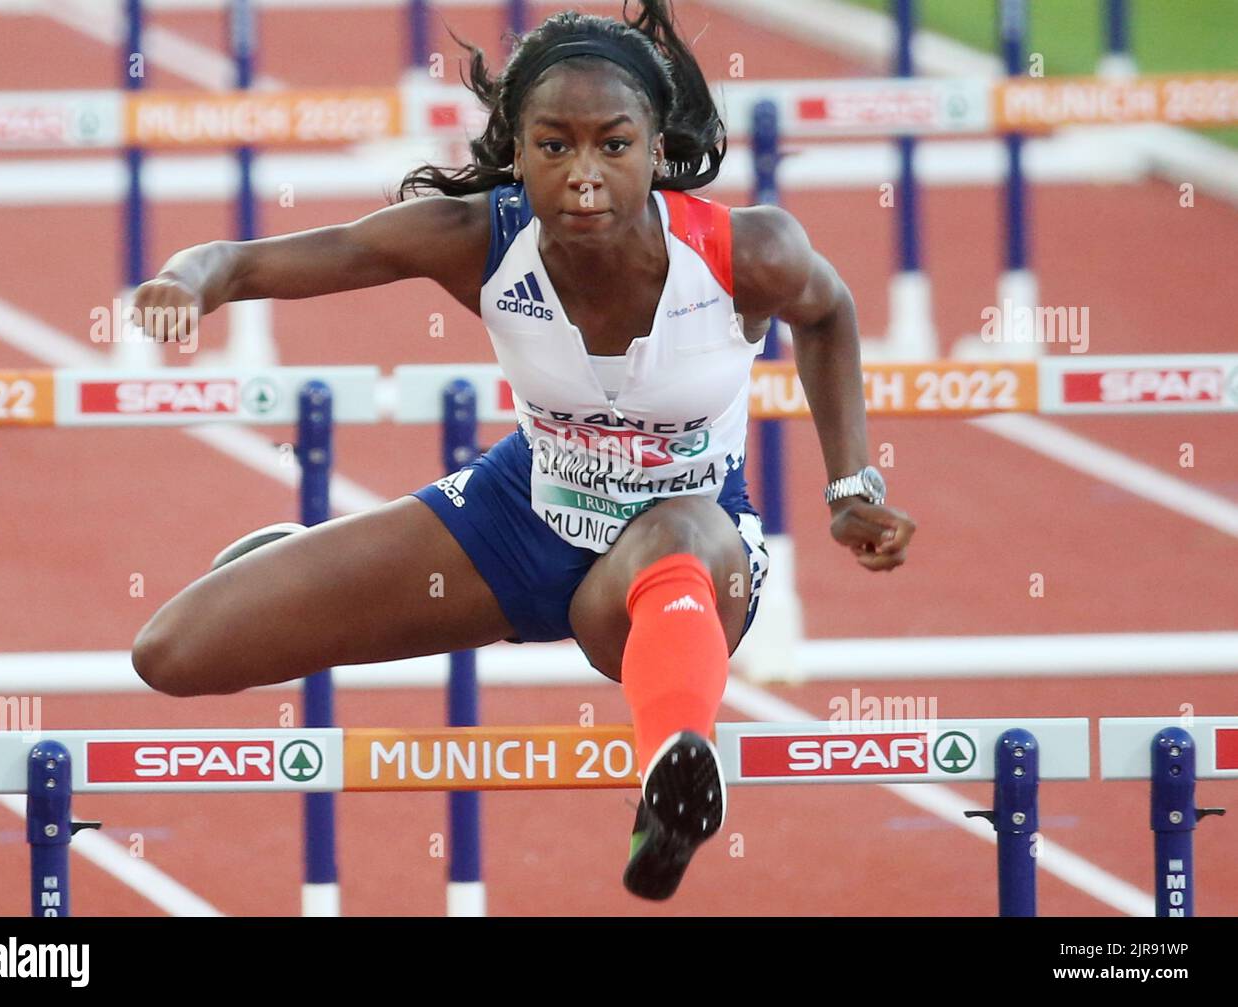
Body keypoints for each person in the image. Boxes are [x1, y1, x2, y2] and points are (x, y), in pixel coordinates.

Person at [130, 0, 916, 902]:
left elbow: (829, 312)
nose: (584, 176)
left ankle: (673, 778)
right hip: (517, 520)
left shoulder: (747, 252)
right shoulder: (477, 240)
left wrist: (850, 485)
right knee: (177, 651)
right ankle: (291, 564)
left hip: (682, 565)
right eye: (555, 147)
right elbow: (240, 261)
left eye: (613, 147)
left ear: (657, 153)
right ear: (517, 153)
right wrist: (181, 283)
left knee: (681, 531)